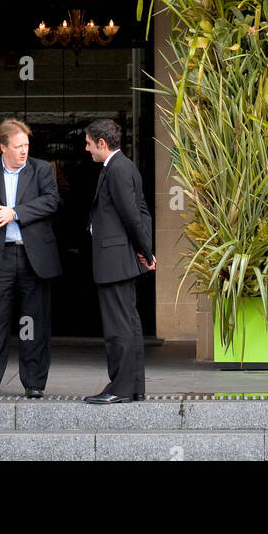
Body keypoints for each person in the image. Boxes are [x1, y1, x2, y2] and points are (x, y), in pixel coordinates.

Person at [0, 118, 61, 398]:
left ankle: (34, 383)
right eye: (18, 146)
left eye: (26, 145)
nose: (24, 151)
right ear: (3, 147)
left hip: (34, 259)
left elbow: (51, 201)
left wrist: (15, 212)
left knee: (33, 322)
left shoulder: (41, 170)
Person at [84, 117, 155, 404]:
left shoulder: (117, 169)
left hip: (115, 261)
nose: (87, 149)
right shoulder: (122, 167)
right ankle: (132, 386)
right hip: (121, 258)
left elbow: (132, 215)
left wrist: (146, 253)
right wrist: (145, 250)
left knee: (119, 328)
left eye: (89, 144)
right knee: (129, 324)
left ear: (102, 143)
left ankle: (120, 388)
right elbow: (141, 212)